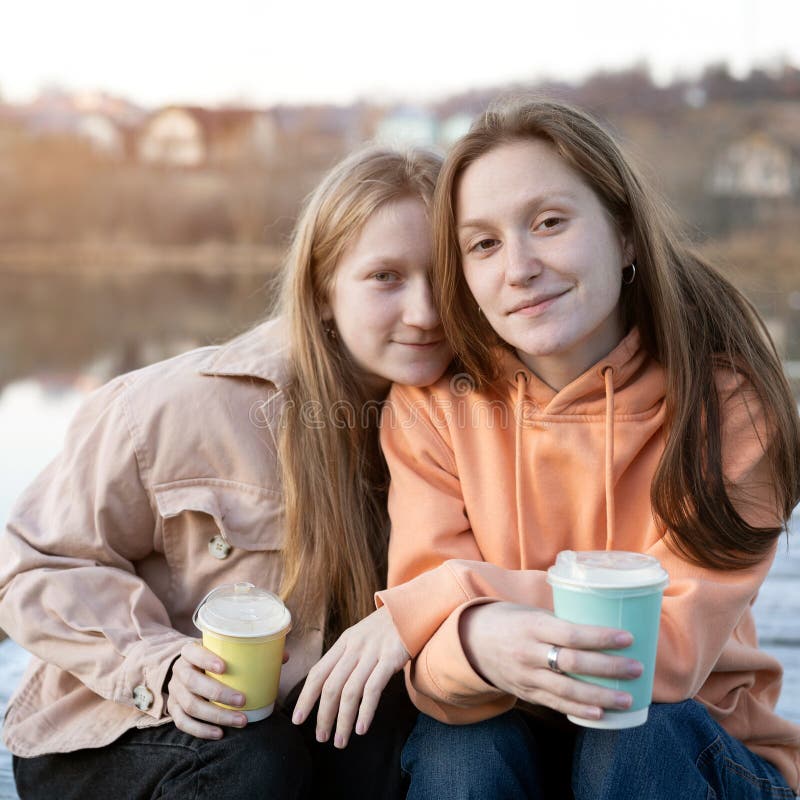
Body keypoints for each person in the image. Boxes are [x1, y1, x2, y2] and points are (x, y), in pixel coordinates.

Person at [375, 99, 800, 798]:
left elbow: (658, 655)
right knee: (463, 754)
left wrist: (464, 596)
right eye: (482, 244)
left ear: (625, 234)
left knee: (624, 739)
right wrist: (475, 641)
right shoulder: (432, 408)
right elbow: (432, 664)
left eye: (548, 223)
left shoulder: (724, 406)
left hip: (696, 749)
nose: (518, 268)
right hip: (511, 729)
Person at [0, 145, 453, 799]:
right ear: (323, 289)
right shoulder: (174, 406)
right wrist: (160, 661)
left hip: (309, 720)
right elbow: (30, 563)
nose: (427, 313)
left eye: (446, 276)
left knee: (430, 739)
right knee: (251, 755)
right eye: (386, 277)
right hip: (124, 729)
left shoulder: (473, 427)